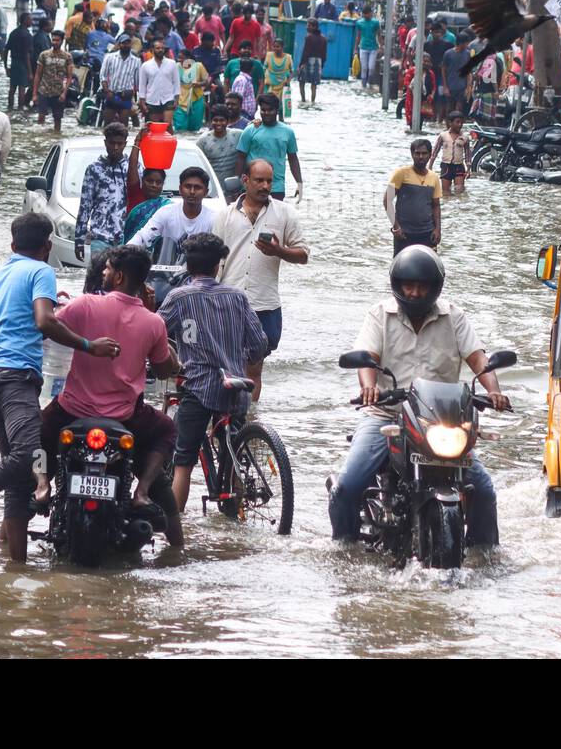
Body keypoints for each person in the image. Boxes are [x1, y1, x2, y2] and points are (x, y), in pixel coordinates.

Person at [0, 213, 120, 564]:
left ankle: (16, 566)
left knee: (20, 477)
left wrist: (31, 310)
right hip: (16, 378)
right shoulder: (41, 271)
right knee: (24, 456)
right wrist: (88, 345)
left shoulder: (0, 274)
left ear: (12, 244)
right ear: (48, 246)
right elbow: (43, 320)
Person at [329, 246, 507, 547]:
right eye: (408, 285)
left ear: (434, 287)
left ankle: (483, 552)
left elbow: (479, 360)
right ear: (397, 285)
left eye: (421, 286)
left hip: (440, 421)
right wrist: (369, 388)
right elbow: (367, 359)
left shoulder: (454, 317)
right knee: (348, 485)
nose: (414, 292)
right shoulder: (380, 315)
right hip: (387, 416)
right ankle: (343, 545)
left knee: (485, 491)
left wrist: (494, 390)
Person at [39, 246, 182, 545]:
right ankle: (142, 492)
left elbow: (48, 327)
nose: (102, 273)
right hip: (126, 417)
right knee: (166, 429)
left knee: (35, 432)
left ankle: (41, 485)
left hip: (73, 409)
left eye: (106, 269)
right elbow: (163, 366)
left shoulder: (85, 305)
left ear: (118, 276)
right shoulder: (153, 322)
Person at [157, 233, 268, 536]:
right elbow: (259, 345)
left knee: (183, 459)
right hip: (237, 386)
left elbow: (154, 334)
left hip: (198, 387)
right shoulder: (237, 297)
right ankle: (236, 502)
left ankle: (174, 532)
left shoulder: (179, 297)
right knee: (233, 449)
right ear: (219, 266)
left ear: (188, 266)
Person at [211, 158, 310, 399]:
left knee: (255, 368)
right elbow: (214, 258)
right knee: (225, 367)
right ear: (245, 180)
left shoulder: (285, 213)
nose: (266, 186)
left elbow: (303, 255)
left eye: (269, 180)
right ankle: (225, 421)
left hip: (264, 303)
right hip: (228, 302)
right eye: (259, 180)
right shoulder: (225, 215)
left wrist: (279, 251)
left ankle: (248, 422)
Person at [75, 122, 136, 261]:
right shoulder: (94, 170)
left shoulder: (134, 168)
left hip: (126, 239)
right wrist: (79, 239)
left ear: (125, 144)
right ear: (105, 143)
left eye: (119, 144)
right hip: (99, 237)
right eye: (112, 143)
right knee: (98, 279)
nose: (115, 147)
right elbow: (85, 206)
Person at [128, 166, 215, 251]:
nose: (192, 191)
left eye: (197, 188)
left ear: (205, 192)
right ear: (180, 189)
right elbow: (144, 236)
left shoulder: (213, 219)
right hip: (167, 264)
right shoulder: (165, 212)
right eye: (188, 186)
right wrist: (126, 251)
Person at [235, 93, 302, 202]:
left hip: (276, 187)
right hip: (251, 185)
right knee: (250, 217)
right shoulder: (250, 130)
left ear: (277, 110)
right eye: (263, 110)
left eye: (270, 110)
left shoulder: (288, 132)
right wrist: (236, 182)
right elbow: (240, 157)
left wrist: (299, 183)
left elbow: (293, 158)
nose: (266, 113)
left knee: (274, 218)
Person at [386, 138, 441, 253]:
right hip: (404, 233)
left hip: (427, 233)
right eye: (417, 153)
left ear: (430, 155)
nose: (420, 157)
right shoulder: (400, 173)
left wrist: (437, 229)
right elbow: (387, 200)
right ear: (412, 154)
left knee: (429, 269)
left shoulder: (434, 177)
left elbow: (436, 205)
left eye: (424, 153)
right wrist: (396, 227)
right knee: (400, 268)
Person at [197, 105, 244, 200]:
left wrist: (257, 122)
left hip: (234, 189)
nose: (218, 123)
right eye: (215, 120)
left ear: (227, 121)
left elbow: (253, 134)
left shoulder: (238, 135)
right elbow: (199, 166)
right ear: (210, 122)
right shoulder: (203, 140)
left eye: (222, 120)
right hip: (213, 189)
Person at [33, 29, 74, 133]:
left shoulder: (67, 57)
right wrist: (34, 94)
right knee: (41, 118)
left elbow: (69, 77)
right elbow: (38, 75)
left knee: (57, 119)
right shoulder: (44, 55)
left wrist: (64, 93)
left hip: (59, 92)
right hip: (44, 91)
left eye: (57, 40)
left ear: (62, 41)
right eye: (53, 40)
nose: (55, 42)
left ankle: (55, 138)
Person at [122, 167, 170, 244]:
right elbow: (132, 167)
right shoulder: (135, 196)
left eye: (158, 182)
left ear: (162, 184)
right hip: (130, 251)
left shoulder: (168, 206)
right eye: (150, 181)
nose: (154, 185)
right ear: (142, 181)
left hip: (158, 254)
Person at [99, 38, 139, 127]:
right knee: (107, 124)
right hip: (111, 94)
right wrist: (106, 91)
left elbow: (137, 81)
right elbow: (103, 75)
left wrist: (134, 95)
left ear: (131, 45)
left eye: (128, 43)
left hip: (126, 96)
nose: (125, 45)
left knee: (124, 124)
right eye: (123, 43)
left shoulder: (136, 61)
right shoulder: (110, 57)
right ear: (119, 44)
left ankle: (123, 140)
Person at [138, 39, 180, 124]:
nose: (160, 50)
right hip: (152, 98)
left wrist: (176, 98)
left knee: (167, 124)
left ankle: (171, 138)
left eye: (162, 48)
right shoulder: (145, 66)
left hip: (168, 98)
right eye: (157, 48)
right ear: (152, 50)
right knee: (155, 126)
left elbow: (176, 82)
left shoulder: (172, 63)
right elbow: (142, 85)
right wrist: (142, 102)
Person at [430, 111, 471, 195]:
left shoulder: (465, 137)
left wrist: (468, 169)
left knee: (460, 191)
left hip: (459, 167)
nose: (460, 125)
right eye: (457, 122)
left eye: (461, 122)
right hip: (446, 166)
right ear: (450, 122)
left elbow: (468, 155)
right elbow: (435, 152)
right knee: (446, 193)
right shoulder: (443, 136)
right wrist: (430, 167)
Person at [3, 11, 34, 110]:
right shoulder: (27, 35)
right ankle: (20, 110)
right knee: (22, 88)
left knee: (12, 88)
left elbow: (6, 50)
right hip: (23, 65)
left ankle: (10, 107)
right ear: (25, 21)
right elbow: (27, 55)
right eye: (30, 19)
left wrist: (5, 67)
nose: (31, 21)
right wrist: (30, 72)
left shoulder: (13, 33)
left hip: (14, 63)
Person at [174, 48, 209, 132]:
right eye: (179, 58)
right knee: (180, 126)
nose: (180, 60)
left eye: (182, 58)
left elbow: (206, 81)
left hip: (196, 98)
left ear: (188, 58)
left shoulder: (198, 66)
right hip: (181, 99)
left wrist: (198, 84)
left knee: (195, 127)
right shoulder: (176, 66)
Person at [440, 31, 473, 118]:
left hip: (462, 86)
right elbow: (443, 70)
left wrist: (468, 87)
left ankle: (456, 127)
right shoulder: (448, 53)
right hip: (450, 86)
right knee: (449, 108)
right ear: (461, 43)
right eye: (466, 43)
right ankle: (448, 127)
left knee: (459, 108)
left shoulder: (468, 54)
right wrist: (445, 87)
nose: (467, 45)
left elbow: (469, 72)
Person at [300, 19, 327, 105]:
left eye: (309, 25)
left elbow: (305, 52)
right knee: (314, 84)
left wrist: (301, 64)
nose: (306, 27)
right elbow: (324, 54)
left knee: (302, 82)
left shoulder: (309, 37)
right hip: (318, 62)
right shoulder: (323, 38)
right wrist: (322, 64)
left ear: (314, 27)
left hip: (308, 61)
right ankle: (313, 101)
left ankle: (303, 100)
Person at [263, 36, 293, 108]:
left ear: (282, 47)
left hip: (283, 86)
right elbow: (263, 69)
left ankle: (281, 119)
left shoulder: (288, 57)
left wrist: (288, 81)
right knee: (269, 105)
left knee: (282, 107)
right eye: (274, 46)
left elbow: (292, 72)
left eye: (278, 47)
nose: (275, 49)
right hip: (270, 86)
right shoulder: (269, 55)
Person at [355, 5, 380, 87]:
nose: (366, 16)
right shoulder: (359, 23)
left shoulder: (376, 23)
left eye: (367, 14)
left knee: (371, 67)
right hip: (363, 47)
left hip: (373, 47)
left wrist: (381, 46)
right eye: (364, 14)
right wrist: (355, 49)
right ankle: (363, 85)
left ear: (370, 13)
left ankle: (369, 82)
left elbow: (379, 35)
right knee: (364, 67)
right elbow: (358, 36)